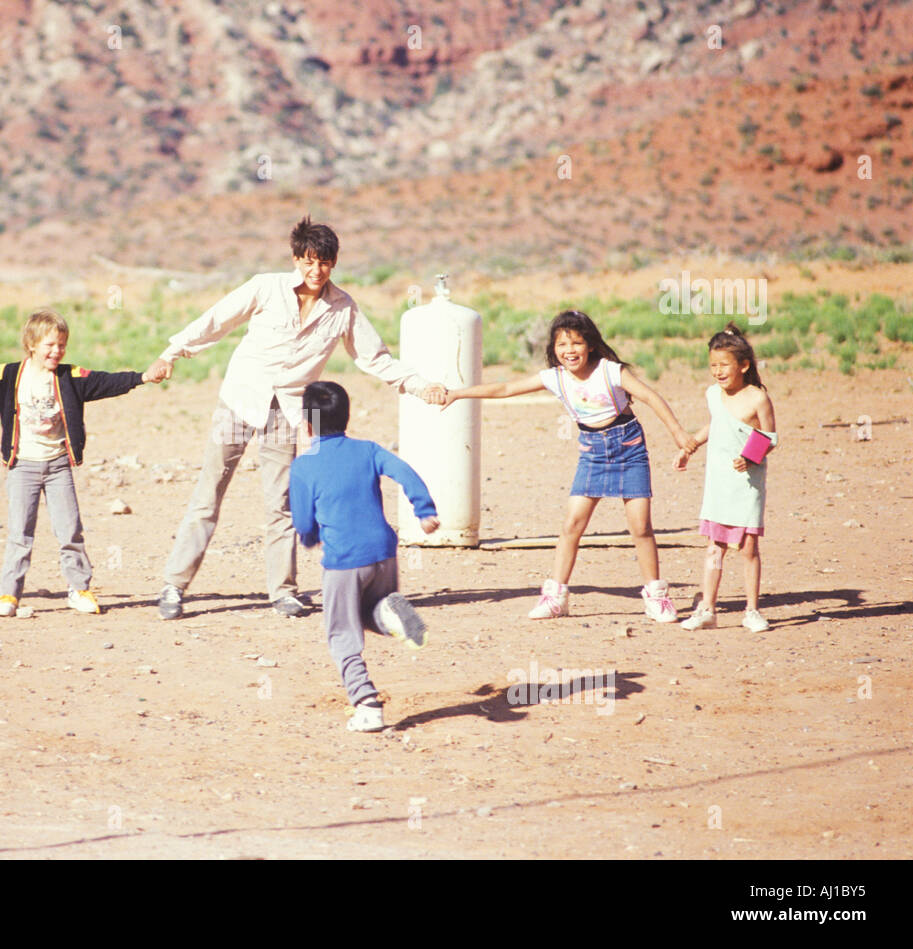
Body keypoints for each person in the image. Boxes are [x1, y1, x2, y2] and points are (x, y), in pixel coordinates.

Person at [145, 216, 447, 620]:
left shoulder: (343, 308)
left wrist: (419, 385)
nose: (315, 270)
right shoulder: (265, 287)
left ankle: (283, 592)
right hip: (238, 402)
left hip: (287, 413)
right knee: (208, 496)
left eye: (323, 262)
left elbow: (375, 359)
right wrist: (172, 353)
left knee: (282, 504)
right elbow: (216, 320)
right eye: (308, 261)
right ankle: (173, 586)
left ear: (333, 263)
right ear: (295, 258)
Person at [443, 310, 698, 622]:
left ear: (590, 345)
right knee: (572, 526)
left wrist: (678, 433)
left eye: (576, 343)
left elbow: (650, 396)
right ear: (553, 349)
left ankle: (656, 598)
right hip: (592, 453)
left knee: (641, 526)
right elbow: (504, 389)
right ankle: (556, 598)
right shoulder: (555, 378)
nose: (569, 350)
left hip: (629, 449)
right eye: (562, 345)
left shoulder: (610, 371)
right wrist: (457, 394)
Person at [0, 310, 161, 616]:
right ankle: (9, 595)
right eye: (51, 345)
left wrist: (142, 377)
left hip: (58, 465)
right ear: (32, 344)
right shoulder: (8, 376)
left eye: (62, 345)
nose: (57, 351)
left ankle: (79, 590)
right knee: (19, 533)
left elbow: (106, 381)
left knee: (70, 531)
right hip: (22, 466)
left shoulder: (69, 377)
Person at [289, 381, 439, 732]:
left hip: (344, 559)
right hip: (383, 551)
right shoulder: (368, 449)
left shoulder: (304, 465)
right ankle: (391, 614)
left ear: (307, 424)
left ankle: (367, 704)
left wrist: (311, 538)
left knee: (341, 634)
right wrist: (424, 510)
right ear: (347, 416)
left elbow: (302, 520)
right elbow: (405, 471)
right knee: (369, 614)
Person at [675, 324, 778, 632]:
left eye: (724, 365)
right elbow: (716, 424)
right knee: (714, 547)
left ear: (743, 365)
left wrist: (750, 456)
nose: (717, 372)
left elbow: (770, 437)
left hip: (746, 486)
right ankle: (707, 607)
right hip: (718, 484)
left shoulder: (757, 398)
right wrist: (690, 446)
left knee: (748, 549)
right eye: (713, 366)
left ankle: (752, 610)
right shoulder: (712, 395)